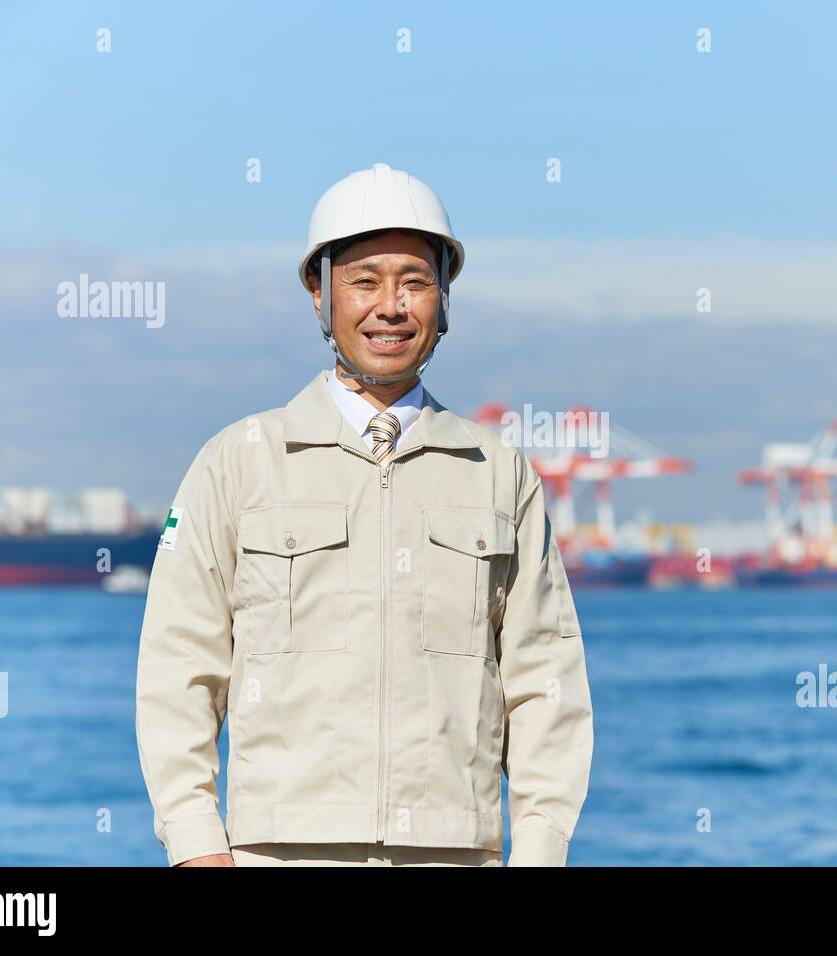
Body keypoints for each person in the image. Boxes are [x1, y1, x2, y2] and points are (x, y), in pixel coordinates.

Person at [135, 162, 594, 867]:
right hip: (277, 853)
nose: (391, 305)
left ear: (445, 298)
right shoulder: (238, 462)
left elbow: (545, 682)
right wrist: (195, 843)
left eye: (415, 280)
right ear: (317, 292)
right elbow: (178, 669)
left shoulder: (500, 474)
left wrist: (539, 851)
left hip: (453, 851)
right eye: (364, 279)